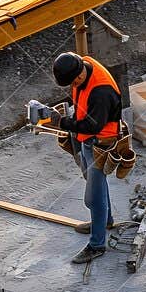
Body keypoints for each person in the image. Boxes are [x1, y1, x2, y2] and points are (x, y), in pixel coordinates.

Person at [49, 52, 124, 265]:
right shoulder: (84, 64)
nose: (74, 84)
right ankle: (105, 222)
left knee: (94, 197)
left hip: (100, 142)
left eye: (74, 81)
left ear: (80, 71)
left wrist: (63, 123)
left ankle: (97, 244)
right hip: (87, 139)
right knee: (98, 186)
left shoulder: (100, 91)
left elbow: (93, 126)